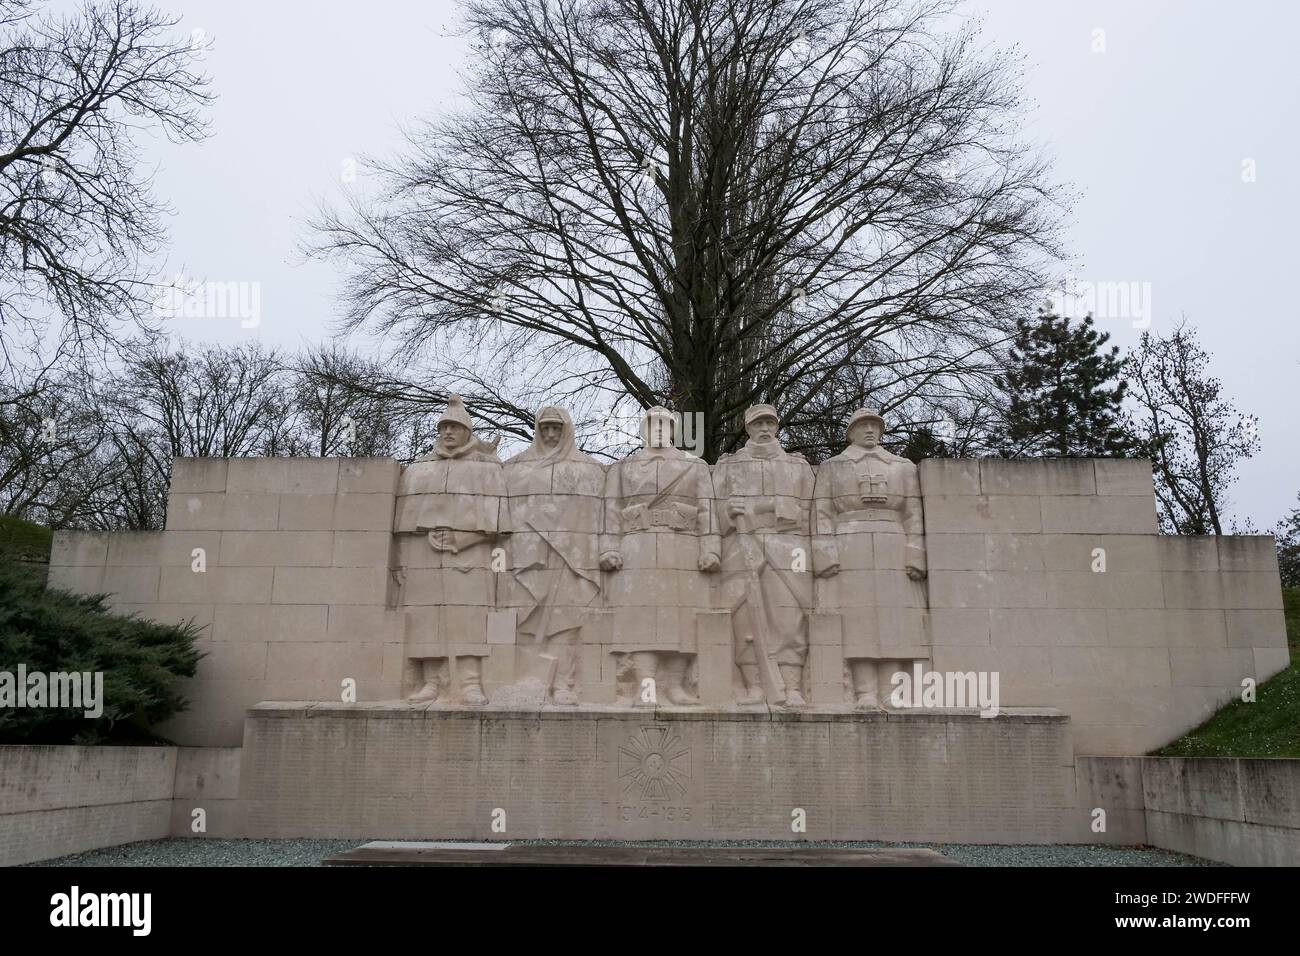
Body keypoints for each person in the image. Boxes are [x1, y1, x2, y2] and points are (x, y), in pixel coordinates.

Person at [600, 406, 720, 704]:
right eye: (652, 425)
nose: (658, 430)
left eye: (664, 425)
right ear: (643, 430)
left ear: (673, 431)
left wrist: (711, 548)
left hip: (682, 544)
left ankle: (675, 687)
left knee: (683, 618)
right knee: (639, 618)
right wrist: (609, 547)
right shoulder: (623, 468)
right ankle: (646, 686)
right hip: (637, 545)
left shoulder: (695, 467)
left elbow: (708, 509)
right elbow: (610, 509)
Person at [394, 394, 506, 704]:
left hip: (469, 555)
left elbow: (496, 523)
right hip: (423, 556)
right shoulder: (420, 469)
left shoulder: (486, 469)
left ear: (468, 432)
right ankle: (432, 681)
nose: (448, 432)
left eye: (455, 427)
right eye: (443, 427)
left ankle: (470, 683)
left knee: (468, 619)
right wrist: (402, 562)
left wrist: (462, 540)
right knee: (426, 620)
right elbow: (403, 524)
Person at [812, 408, 927, 708]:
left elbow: (913, 513)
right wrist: (825, 552)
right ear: (850, 432)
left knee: (894, 619)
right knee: (858, 619)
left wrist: (916, 552)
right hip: (850, 540)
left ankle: (891, 691)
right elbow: (822, 512)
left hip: (892, 541)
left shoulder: (902, 467)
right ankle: (864, 691)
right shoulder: (833, 466)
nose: (869, 431)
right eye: (862, 426)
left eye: (874, 426)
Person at [712, 405, 814, 705]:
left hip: (787, 547)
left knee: (789, 617)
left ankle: (792, 685)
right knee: (743, 617)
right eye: (758, 424)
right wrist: (728, 511)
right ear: (748, 428)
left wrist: (765, 507)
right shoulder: (729, 465)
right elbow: (712, 509)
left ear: (778, 426)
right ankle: (755, 684)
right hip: (741, 546)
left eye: (770, 422)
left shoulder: (797, 466)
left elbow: (809, 511)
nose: (765, 428)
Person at [503, 406, 605, 704]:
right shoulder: (514, 468)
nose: (549, 434)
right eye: (544, 428)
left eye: (556, 429)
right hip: (527, 559)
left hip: (571, 560)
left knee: (567, 622)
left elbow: (597, 515)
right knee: (525, 617)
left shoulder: (588, 469)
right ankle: (527, 680)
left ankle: (564, 684)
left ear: (566, 430)